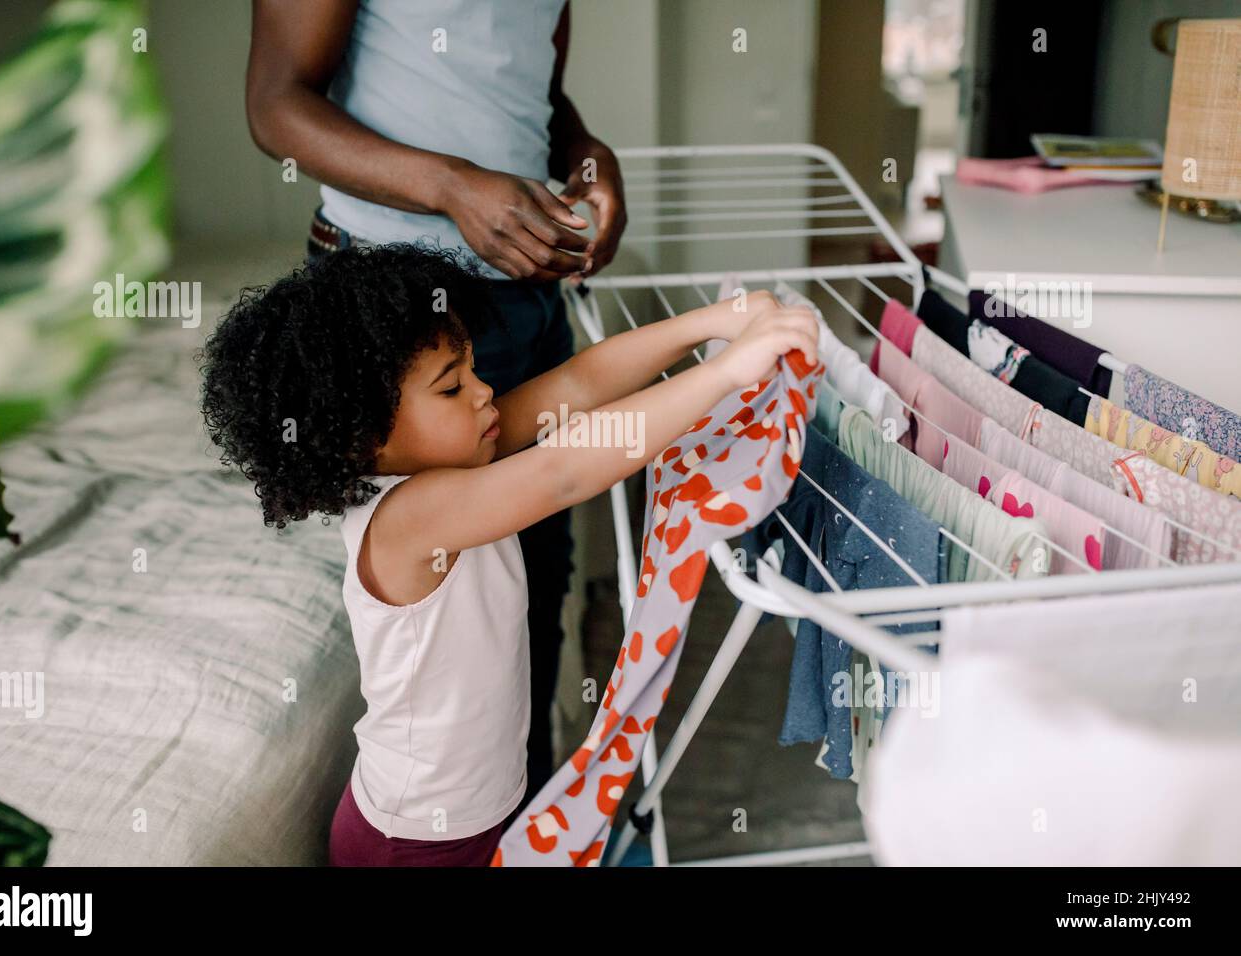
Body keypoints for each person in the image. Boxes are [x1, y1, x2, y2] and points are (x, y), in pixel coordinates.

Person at [198, 243, 819, 865]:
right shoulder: (406, 519)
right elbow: (561, 472)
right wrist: (725, 372)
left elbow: (580, 382)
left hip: (482, 810)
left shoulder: (466, 452)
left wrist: (710, 324)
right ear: (365, 436)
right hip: (417, 842)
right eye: (451, 388)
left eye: (472, 369)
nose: (482, 392)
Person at [245, 0, 627, 805]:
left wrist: (588, 155)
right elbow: (275, 102)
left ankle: (516, 814)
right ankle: (455, 817)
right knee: (441, 597)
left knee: (535, 575)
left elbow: (530, 92)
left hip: (526, 294)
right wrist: (452, 187)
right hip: (395, 308)